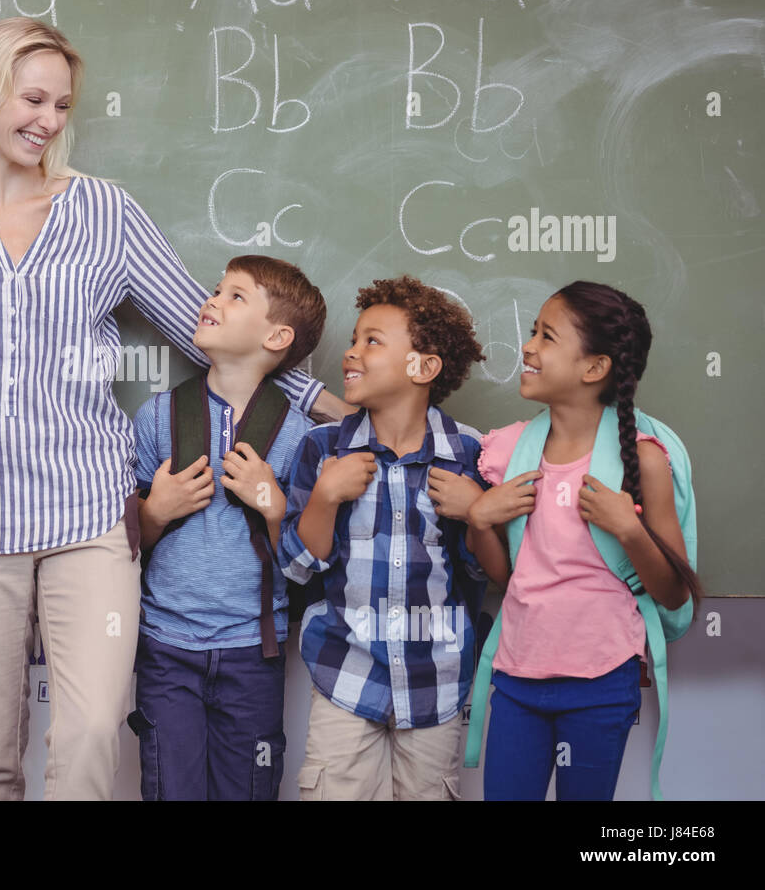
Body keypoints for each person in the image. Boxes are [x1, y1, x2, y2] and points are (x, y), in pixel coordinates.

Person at [0, 17, 353, 799]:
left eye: (62, 105)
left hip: (89, 516)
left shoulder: (105, 212)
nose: (46, 120)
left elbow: (197, 322)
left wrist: (320, 402)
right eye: (31, 97)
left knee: (89, 732)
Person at [466, 281, 701, 800]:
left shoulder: (643, 460)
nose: (527, 346)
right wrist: (478, 521)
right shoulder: (509, 450)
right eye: (533, 332)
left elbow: (674, 592)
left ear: (594, 368)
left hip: (600, 682)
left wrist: (628, 528)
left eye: (546, 337)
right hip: (516, 677)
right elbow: (506, 577)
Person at [279, 275, 496, 800]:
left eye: (371, 341)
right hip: (345, 676)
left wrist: (477, 512)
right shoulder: (322, 448)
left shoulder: (469, 453)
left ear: (423, 366)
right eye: (354, 340)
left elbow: (479, 571)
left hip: (437, 685)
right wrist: (325, 497)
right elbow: (296, 564)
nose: (351, 354)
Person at [129, 255, 323, 800]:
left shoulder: (299, 435)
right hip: (166, 645)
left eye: (236, 296)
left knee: (250, 790)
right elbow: (130, 545)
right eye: (217, 290)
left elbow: (308, 558)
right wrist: (155, 511)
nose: (212, 300)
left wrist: (275, 505)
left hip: (253, 650)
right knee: (172, 789)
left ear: (277, 335)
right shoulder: (157, 416)